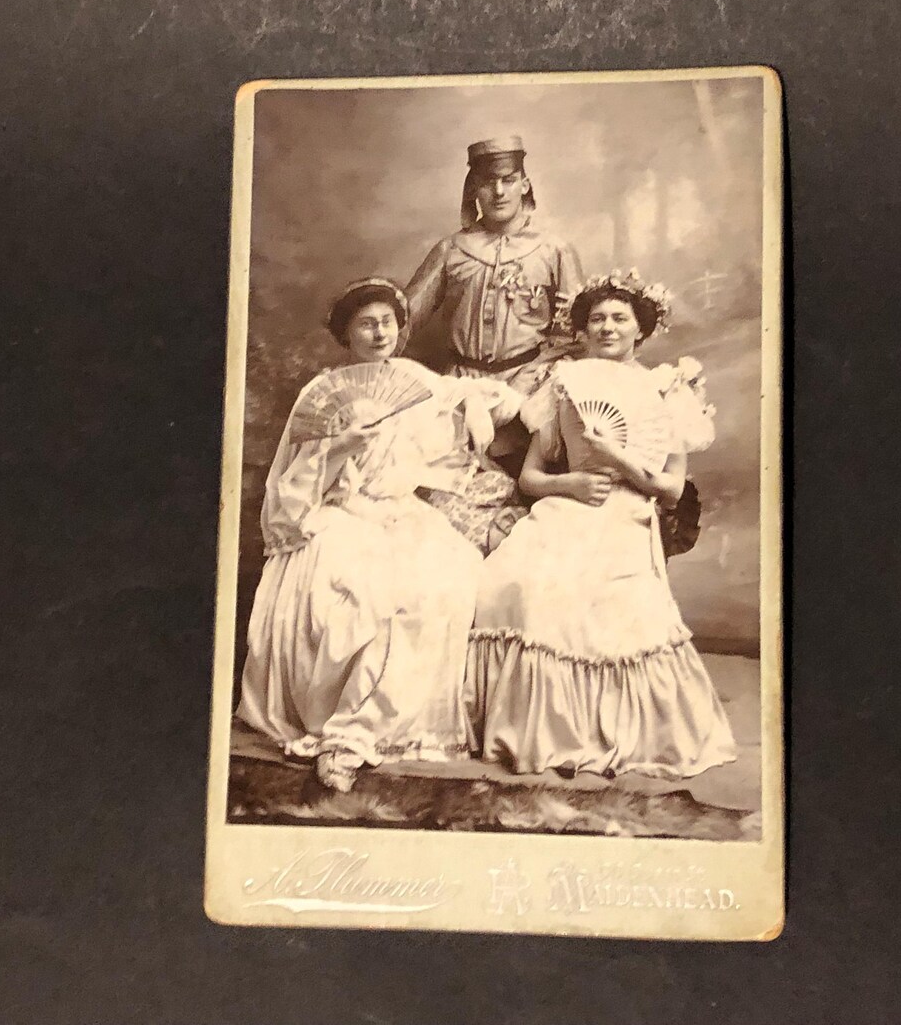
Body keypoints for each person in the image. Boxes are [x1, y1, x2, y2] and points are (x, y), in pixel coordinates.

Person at [236, 278, 520, 792]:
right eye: (366, 323)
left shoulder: (414, 378)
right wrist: (341, 445)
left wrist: (478, 402)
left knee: (449, 575)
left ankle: (401, 724)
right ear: (346, 334)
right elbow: (294, 492)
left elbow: (485, 400)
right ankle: (347, 735)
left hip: (402, 512)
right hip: (341, 514)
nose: (379, 331)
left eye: (388, 321)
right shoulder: (322, 393)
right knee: (368, 594)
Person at [467, 270, 737, 780]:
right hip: (568, 507)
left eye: (619, 318)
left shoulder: (667, 390)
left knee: (600, 604)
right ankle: (539, 733)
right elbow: (529, 477)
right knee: (514, 583)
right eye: (596, 319)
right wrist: (568, 484)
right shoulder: (565, 384)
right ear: (582, 330)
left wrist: (618, 458)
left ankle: (601, 733)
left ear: (641, 328)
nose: (607, 328)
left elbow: (672, 489)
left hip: (626, 515)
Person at [400, 135, 585, 475]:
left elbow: (572, 335)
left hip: (530, 391)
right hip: (461, 390)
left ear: (524, 185)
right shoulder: (451, 250)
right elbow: (403, 318)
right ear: (474, 190)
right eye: (488, 183)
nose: (499, 192)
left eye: (508, 180)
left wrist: (524, 387)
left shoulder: (554, 251)